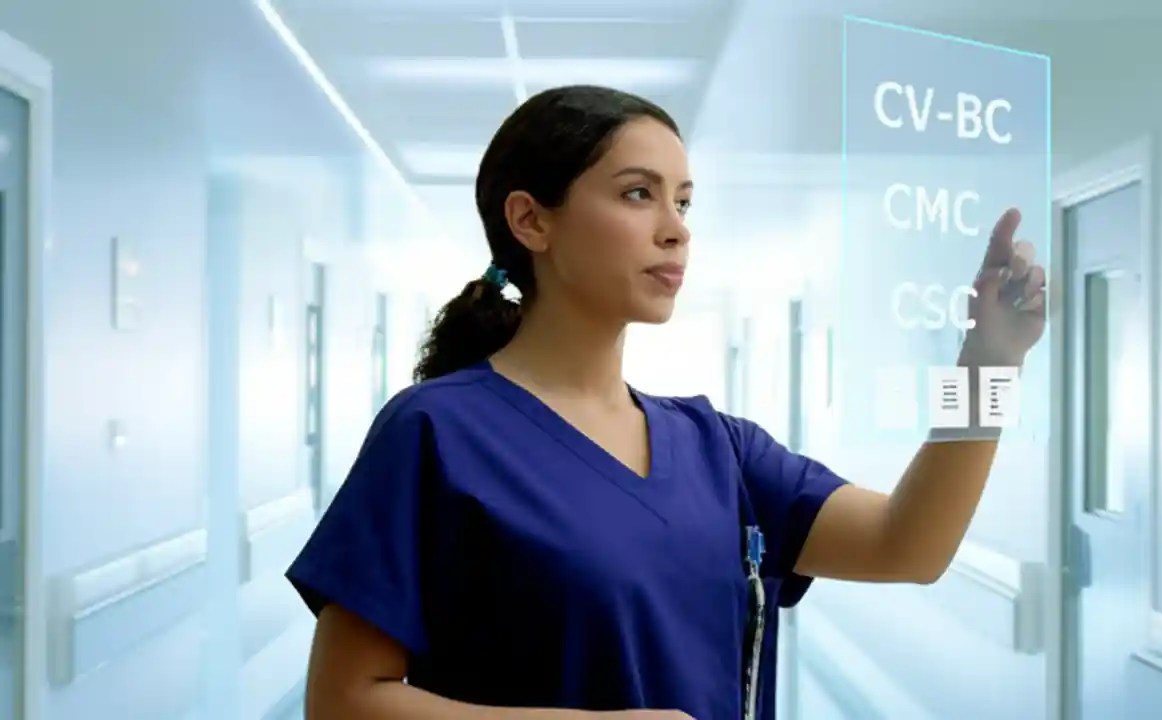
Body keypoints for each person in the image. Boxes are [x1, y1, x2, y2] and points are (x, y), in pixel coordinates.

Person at [284, 84, 1047, 720]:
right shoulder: (435, 433)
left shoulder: (720, 448)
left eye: (684, 202)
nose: (676, 230)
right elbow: (346, 702)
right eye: (638, 194)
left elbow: (909, 547)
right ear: (531, 220)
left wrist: (989, 361)